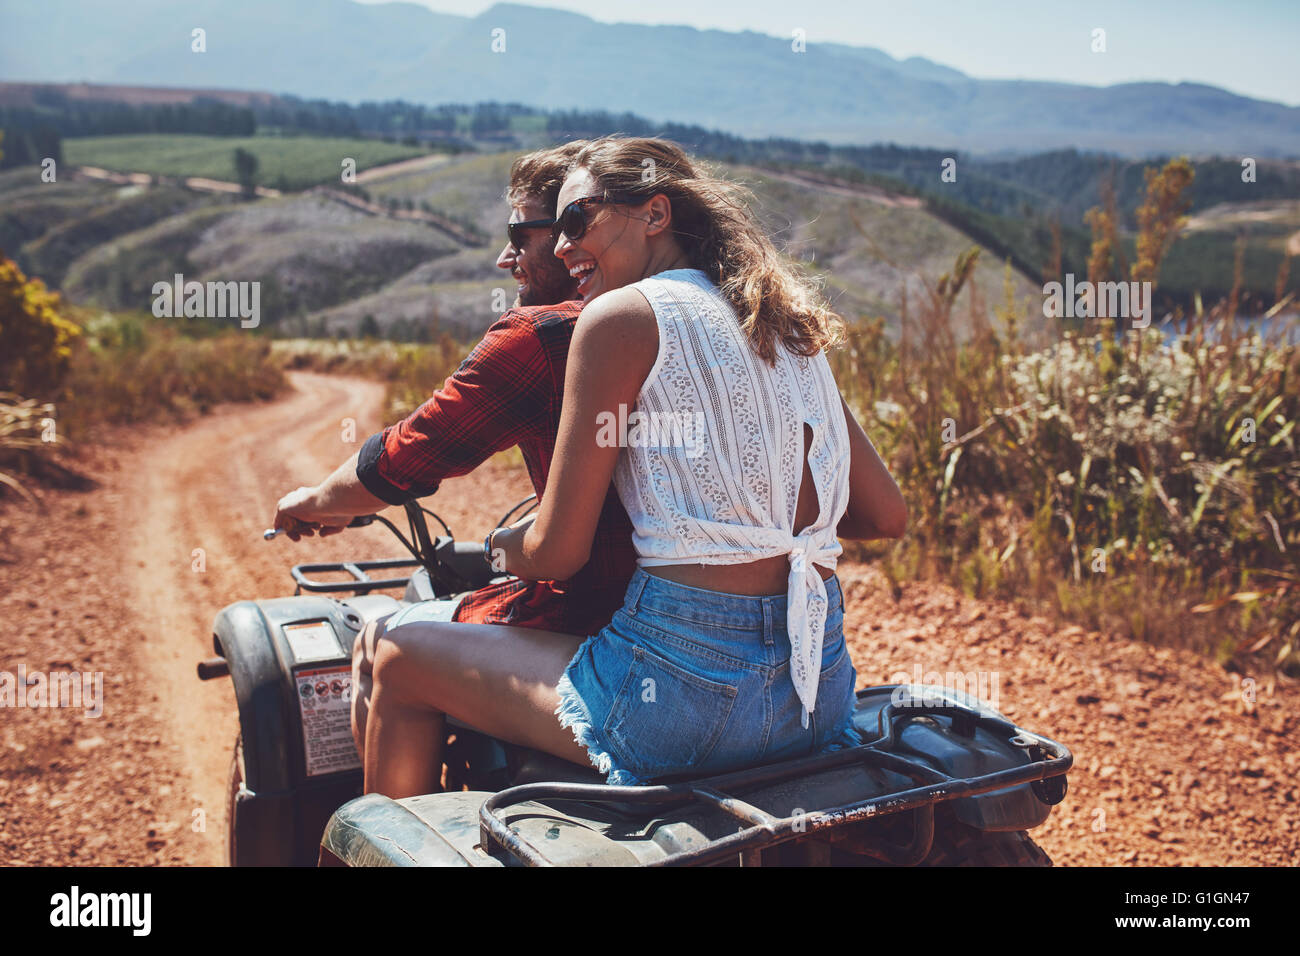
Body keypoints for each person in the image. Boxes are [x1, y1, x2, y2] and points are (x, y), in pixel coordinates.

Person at [292, 135, 907, 800]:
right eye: (552, 230)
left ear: (655, 214)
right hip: (818, 703)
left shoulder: (617, 318)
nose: (560, 247)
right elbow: (885, 515)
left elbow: (555, 553)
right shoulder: (786, 324)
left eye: (575, 220)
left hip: (681, 708)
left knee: (395, 656)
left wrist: (504, 545)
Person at [271, 142, 637, 760]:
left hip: (592, 618)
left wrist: (317, 500)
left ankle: (376, 844)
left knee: (380, 644)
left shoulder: (543, 337)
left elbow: (409, 455)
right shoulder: (711, 318)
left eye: (521, 236)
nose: (505, 258)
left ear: (580, 231)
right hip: (744, 641)